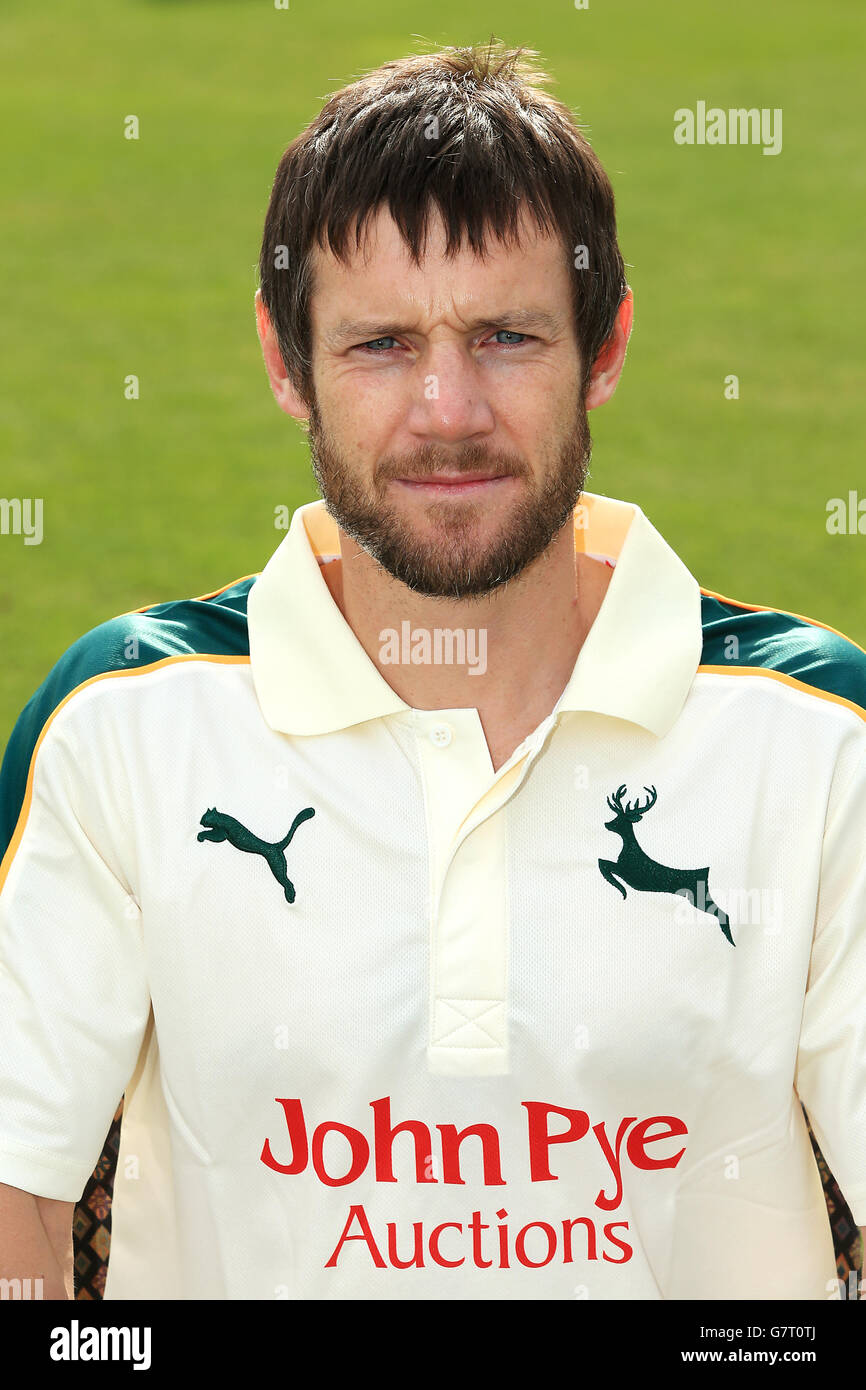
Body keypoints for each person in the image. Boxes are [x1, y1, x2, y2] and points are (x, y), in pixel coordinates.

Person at [0, 39, 864, 1301]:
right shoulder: (123, 720)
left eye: (506, 337)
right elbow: (18, 1192)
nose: (447, 410)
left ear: (604, 345)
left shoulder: (814, 735)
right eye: (380, 346)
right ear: (285, 361)